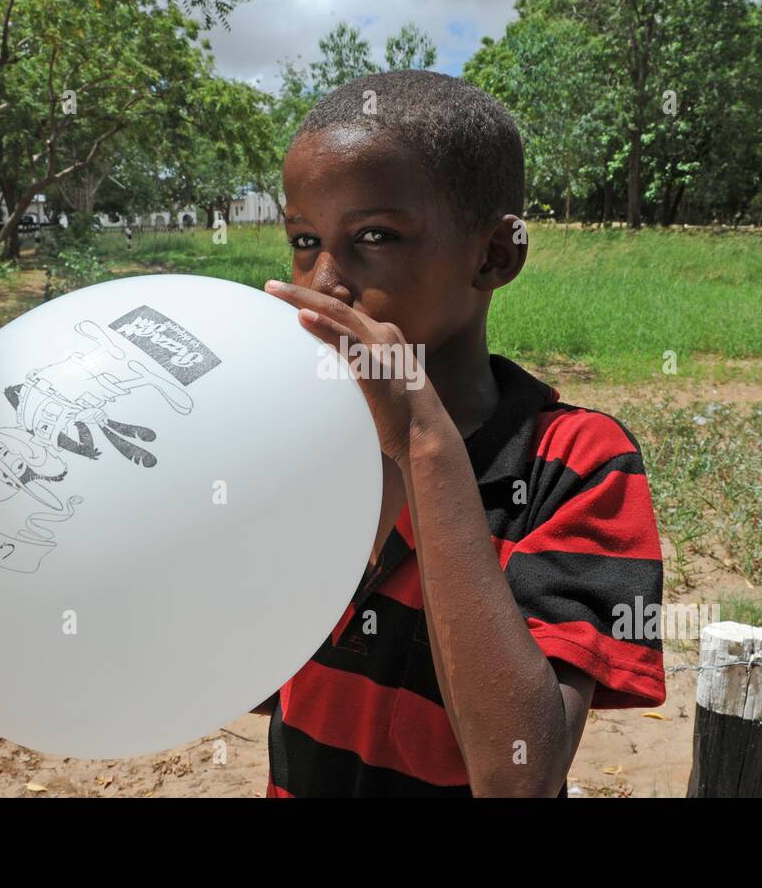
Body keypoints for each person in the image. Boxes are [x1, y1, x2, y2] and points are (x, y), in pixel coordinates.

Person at [259, 70, 665, 797]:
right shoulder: (296, 442)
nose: (324, 283)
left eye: (374, 236)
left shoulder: (576, 465)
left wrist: (422, 442)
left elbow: (519, 776)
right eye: (304, 239)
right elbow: (257, 677)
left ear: (495, 256)